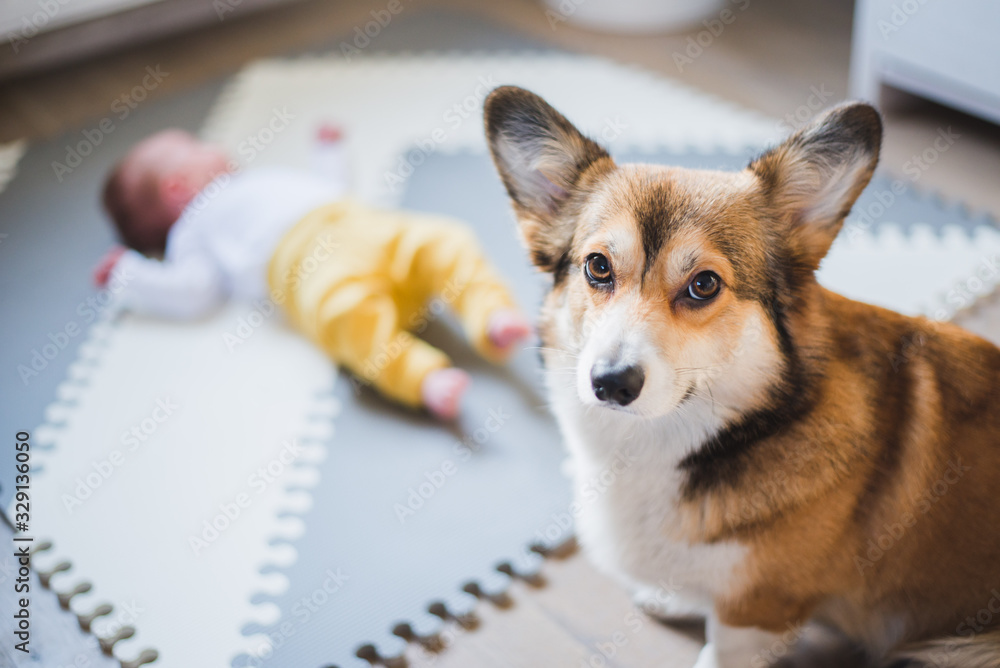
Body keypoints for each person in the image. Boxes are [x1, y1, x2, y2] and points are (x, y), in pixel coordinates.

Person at [95, 127, 531, 420]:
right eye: (196, 146)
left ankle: (489, 314)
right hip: (309, 266)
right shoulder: (195, 229)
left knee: (445, 239)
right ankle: (421, 377)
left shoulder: (255, 181)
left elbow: (329, 188)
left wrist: (328, 152)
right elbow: (195, 290)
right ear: (177, 188)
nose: (215, 149)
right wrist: (132, 276)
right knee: (345, 316)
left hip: (363, 225)